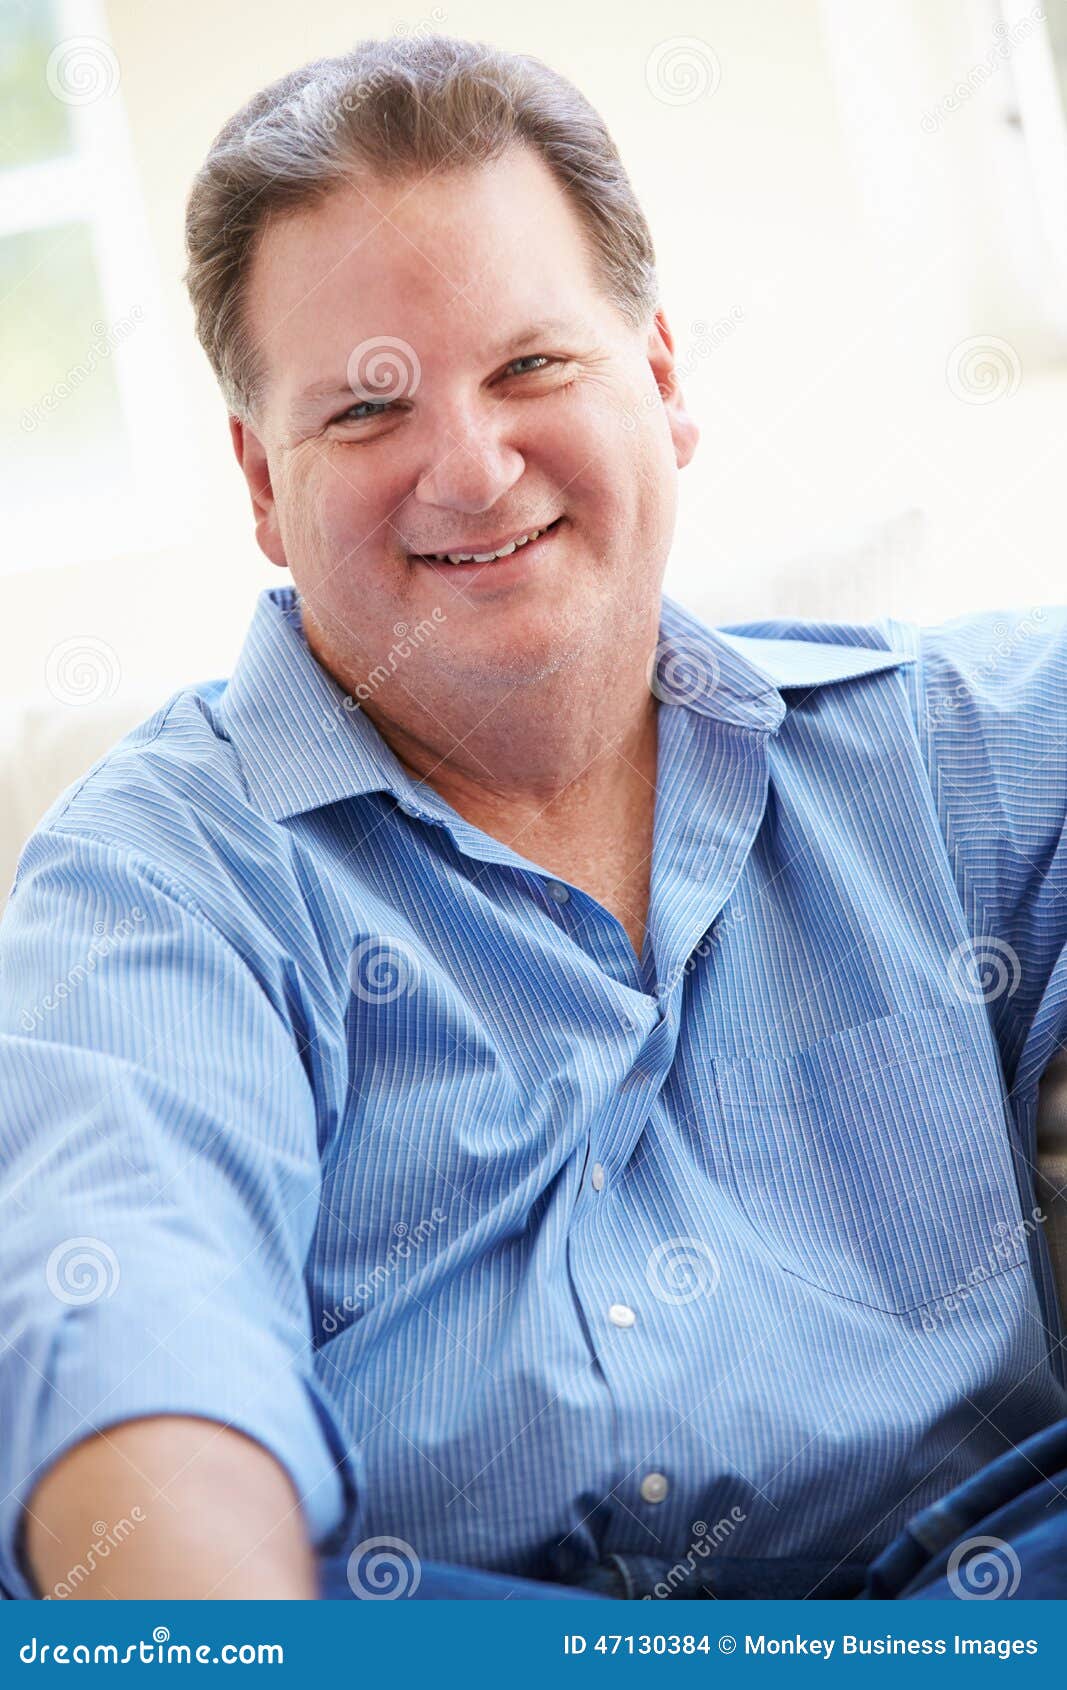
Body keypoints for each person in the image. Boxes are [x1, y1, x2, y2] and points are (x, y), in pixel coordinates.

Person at [1, 35, 1064, 1603]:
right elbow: (138, 1340)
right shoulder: (156, 880)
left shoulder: (953, 748)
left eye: (531, 367)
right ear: (261, 483)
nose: (473, 466)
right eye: (366, 411)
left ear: (664, 378)